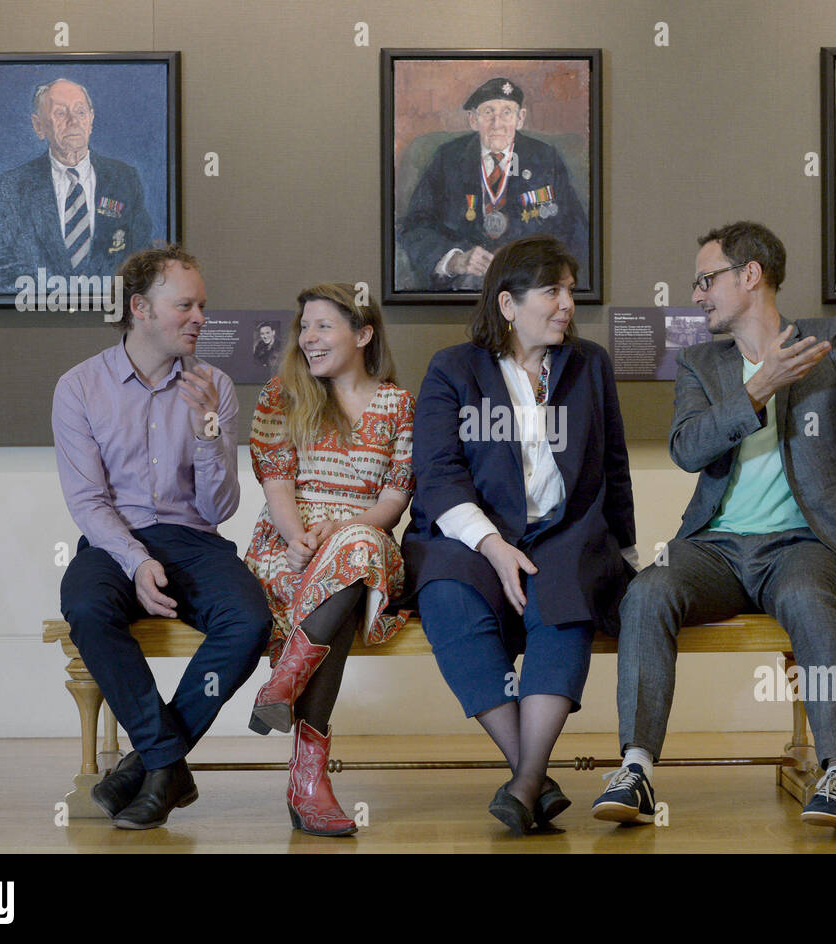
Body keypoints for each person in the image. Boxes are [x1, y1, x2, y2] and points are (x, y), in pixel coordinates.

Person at [593, 221, 836, 831]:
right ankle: (635, 770)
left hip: (802, 544)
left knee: (806, 598)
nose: (696, 294)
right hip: (714, 546)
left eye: (705, 279)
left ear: (750, 275)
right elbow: (688, 448)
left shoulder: (829, 345)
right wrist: (758, 388)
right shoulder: (700, 363)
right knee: (647, 590)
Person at [402, 235, 636, 834]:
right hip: (468, 535)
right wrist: (493, 546)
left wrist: (625, 553)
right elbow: (438, 473)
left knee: (564, 596)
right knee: (449, 598)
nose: (567, 304)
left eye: (569, 290)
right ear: (507, 304)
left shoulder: (590, 365)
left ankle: (526, 781)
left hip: (564, 532)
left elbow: (613, 466)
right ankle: (529, 771)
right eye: (551, 291)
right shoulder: (453, 369)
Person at [54, 244, 271, 829]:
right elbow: (87, 502)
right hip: (113, 537)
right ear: (141, 309)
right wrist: (134, 559)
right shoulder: (79, 387)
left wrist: (207, 433)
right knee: (85, 605)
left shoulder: (214, 386)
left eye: (203, 305)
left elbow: (221, 507)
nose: (201, 317)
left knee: (250, 620)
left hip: (194, 538)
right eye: (185, 305)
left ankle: (146, 765)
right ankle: (167, 761)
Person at [244, 283, 415, 837]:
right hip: (289, 545)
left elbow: (393, 499)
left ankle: (282, 686)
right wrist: (297, 538)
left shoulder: (398, 405)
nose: (308, 338)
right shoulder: (282, 395)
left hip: (363, 534)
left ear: (363, 334)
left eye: (324, 326)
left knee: (358, 552)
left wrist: (342, 528)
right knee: (338, 593)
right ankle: (307, 780)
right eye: (305, 326)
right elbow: (277, 483)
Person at [397, 78, 589, 292]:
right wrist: (455, 259)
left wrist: (529, 261)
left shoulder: (545, 159)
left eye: (507, 112)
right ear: (473, 120)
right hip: (464, 285)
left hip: (529, 284)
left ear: (520, 118)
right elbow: (414, 226)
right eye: (488, 112)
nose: (497, 123)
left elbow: (575, 229)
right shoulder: (447, 159)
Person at [0, 78, 152, 294]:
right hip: (42, 318)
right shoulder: (16, 185)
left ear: (91, 119)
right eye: (61, 113)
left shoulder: (124, 179)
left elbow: (142, 258)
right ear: (39, 126)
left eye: (80, 112)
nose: (74, 121)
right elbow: (3, 268)